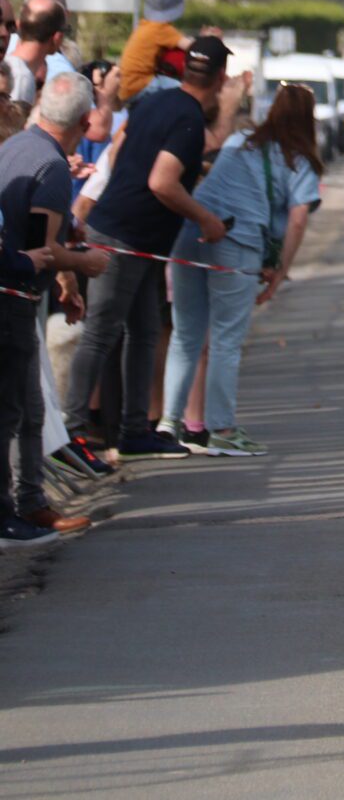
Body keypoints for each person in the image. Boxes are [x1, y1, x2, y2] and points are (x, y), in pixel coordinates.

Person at [64, 37, 237, 458]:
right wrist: (205, 218)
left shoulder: (154, 102)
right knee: (101, 333)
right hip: (123, 237)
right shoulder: (189, 120)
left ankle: (134, 430)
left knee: (144, 332)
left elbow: (120, 148)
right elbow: (162, 181)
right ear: (220, 77)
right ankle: (70, 433)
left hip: (135, 236)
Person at [160, 84, 322, 457]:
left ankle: (169, 424)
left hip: (190, 233)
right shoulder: (299, 161)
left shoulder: (238, 142)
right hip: (239, 242)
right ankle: (222, 428)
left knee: (185, 335)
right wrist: (280, 270)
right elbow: (298, 219)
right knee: (225, 340)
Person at [0, 73, 108, 544]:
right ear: (84, 123)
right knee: (14, 411)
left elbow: (37, 237)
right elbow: (44, 250)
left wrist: (66, 261)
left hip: (17, 297)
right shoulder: (52, 165)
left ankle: (30, 503)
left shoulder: (18, 146)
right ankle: (12, 512)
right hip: (13, 300)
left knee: (29, 409)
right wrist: (84, 262)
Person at [117, 0, 200, 104]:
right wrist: (207, 40)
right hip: (140, 84)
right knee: (187, 92)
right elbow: (192, 47)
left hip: (125, 86)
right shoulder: (162, 29)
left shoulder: (145, 25)